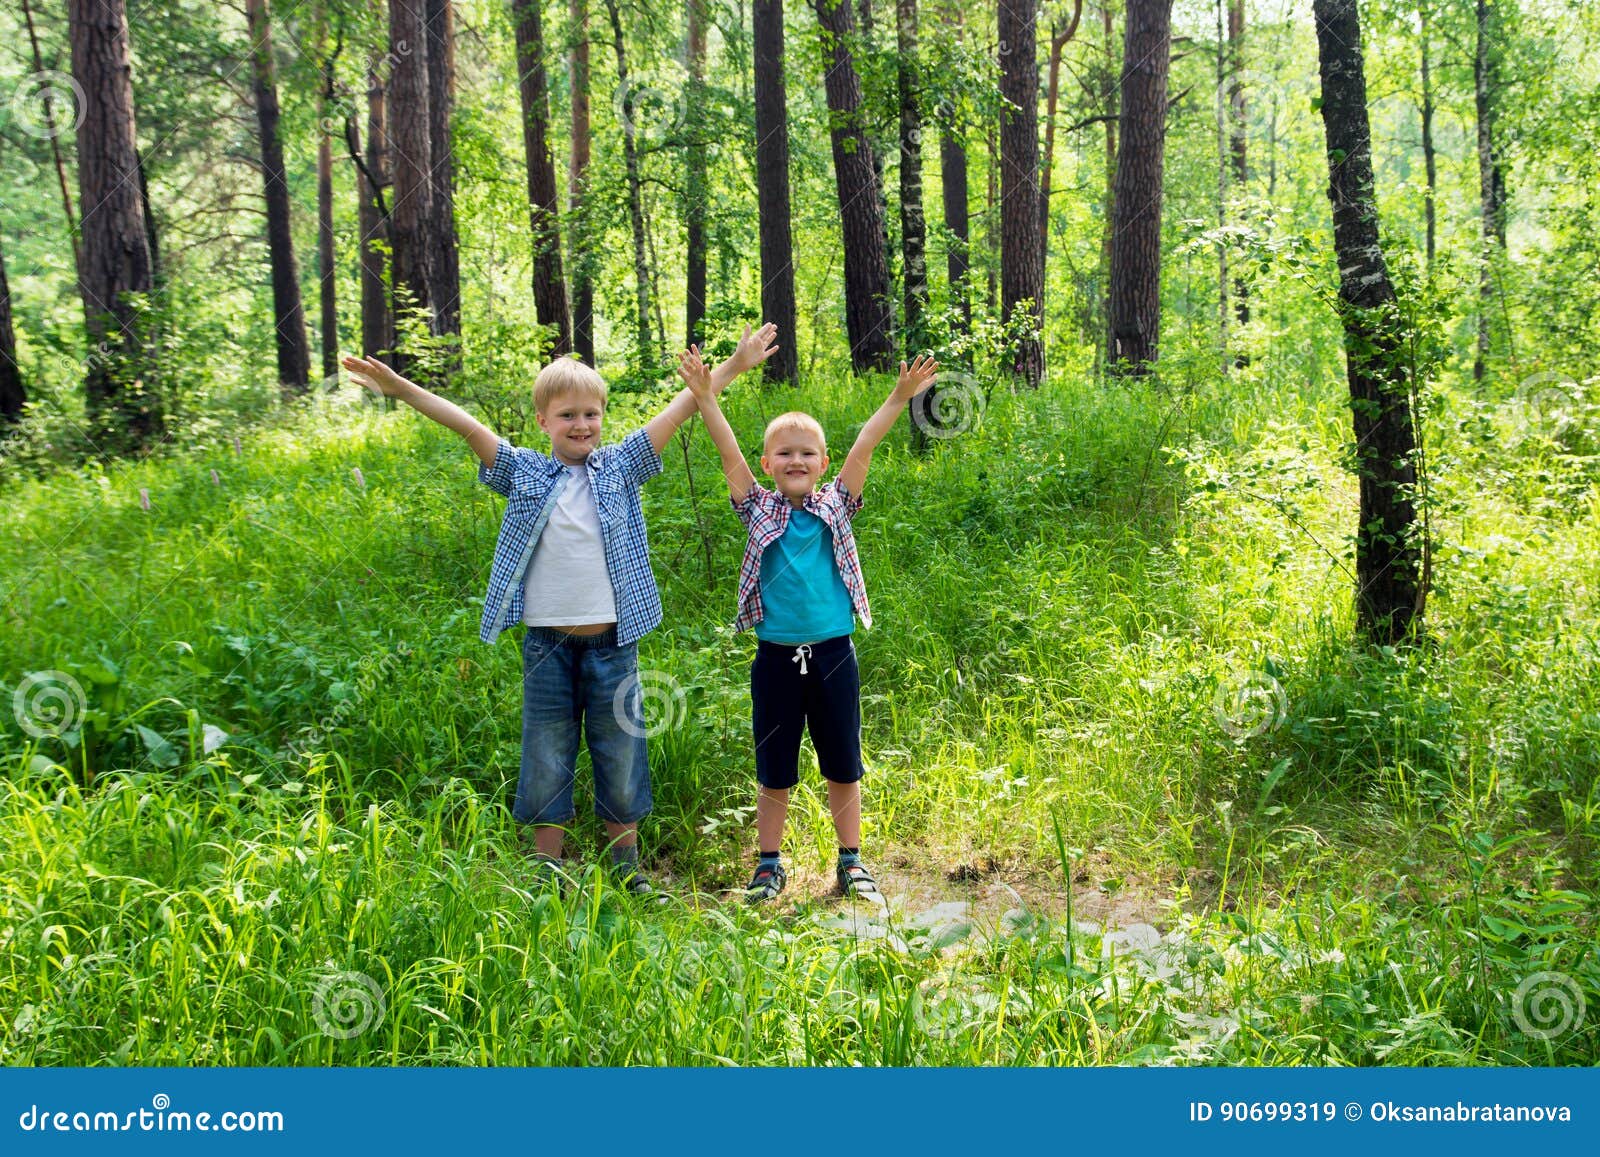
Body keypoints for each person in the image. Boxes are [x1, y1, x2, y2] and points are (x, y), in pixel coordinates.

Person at [340, 325, 778, 894]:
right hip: (547, 646)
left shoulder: (620, 467)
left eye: (592, 414)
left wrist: (734, 367)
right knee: (546, 752)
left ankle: (626, 866)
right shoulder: (525, 471)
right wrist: (403, 390)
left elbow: (679, 410)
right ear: (543, 422)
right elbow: (467, 425)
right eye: (568, 415)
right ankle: (546, 870)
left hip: (613, 645)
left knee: (621, 751)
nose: (582, 425)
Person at [676, 345, 938, 902]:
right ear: (767, 465)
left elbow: (865, 442)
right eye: (784, 453)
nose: (796, 461)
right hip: (775, 658)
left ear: (822, 463)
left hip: (834, 654)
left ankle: (851, 861)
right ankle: (769, 865)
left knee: (842, 760)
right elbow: (725, 448)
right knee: (775, 767)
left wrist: (898, 397)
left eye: (808, 453)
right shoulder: (756, 507)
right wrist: (704, 395)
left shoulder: (838, 506)